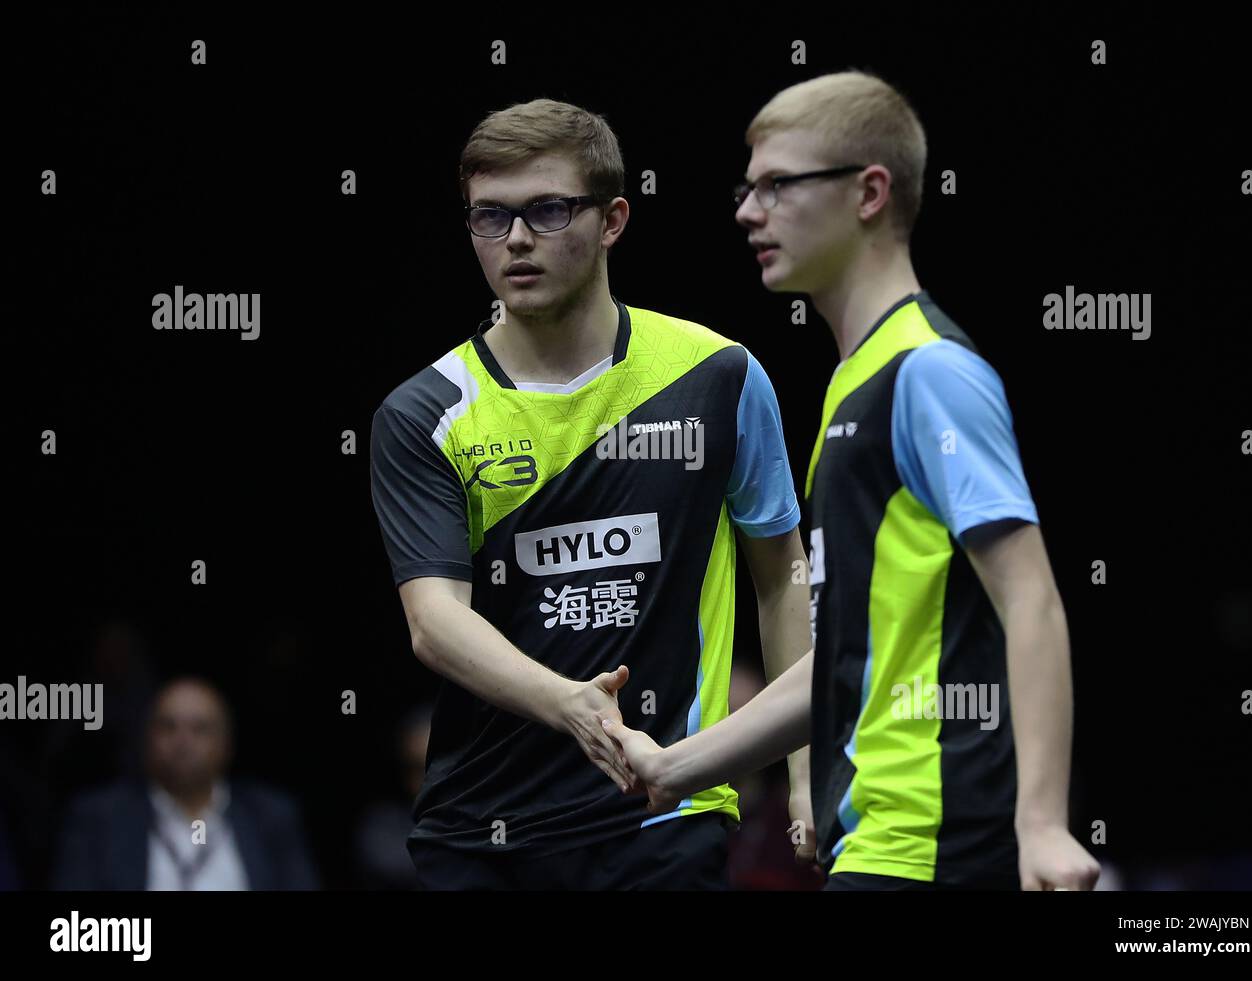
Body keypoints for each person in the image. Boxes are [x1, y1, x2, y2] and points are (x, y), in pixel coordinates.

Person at [603, 71, 1100, 891]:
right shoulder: (851, 382)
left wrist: (1042, 825)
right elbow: (848, 653)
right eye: (746, 186)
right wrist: (676, 767)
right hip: (872, 843)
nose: (747, 211)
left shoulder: (930, 372)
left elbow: (1032, 598)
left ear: (870, 192)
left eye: (778, 185)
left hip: (940, 845)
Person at [368, 98, 811, 890]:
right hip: (481, 830)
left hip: (665, 811)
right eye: (489, 218)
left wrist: (806, 773)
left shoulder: (718, 376)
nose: (517, 240)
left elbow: (781, 573)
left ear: (612, 219)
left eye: (546, 210)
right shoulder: (427, 412)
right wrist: (571, 702)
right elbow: (435, 622)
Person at [52, 677, 318, 890]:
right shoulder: (99, 818)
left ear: (226, 744)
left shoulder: (268, 817)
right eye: (168, 727)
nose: (183, 742)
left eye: (199, 728)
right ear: (146, 740)